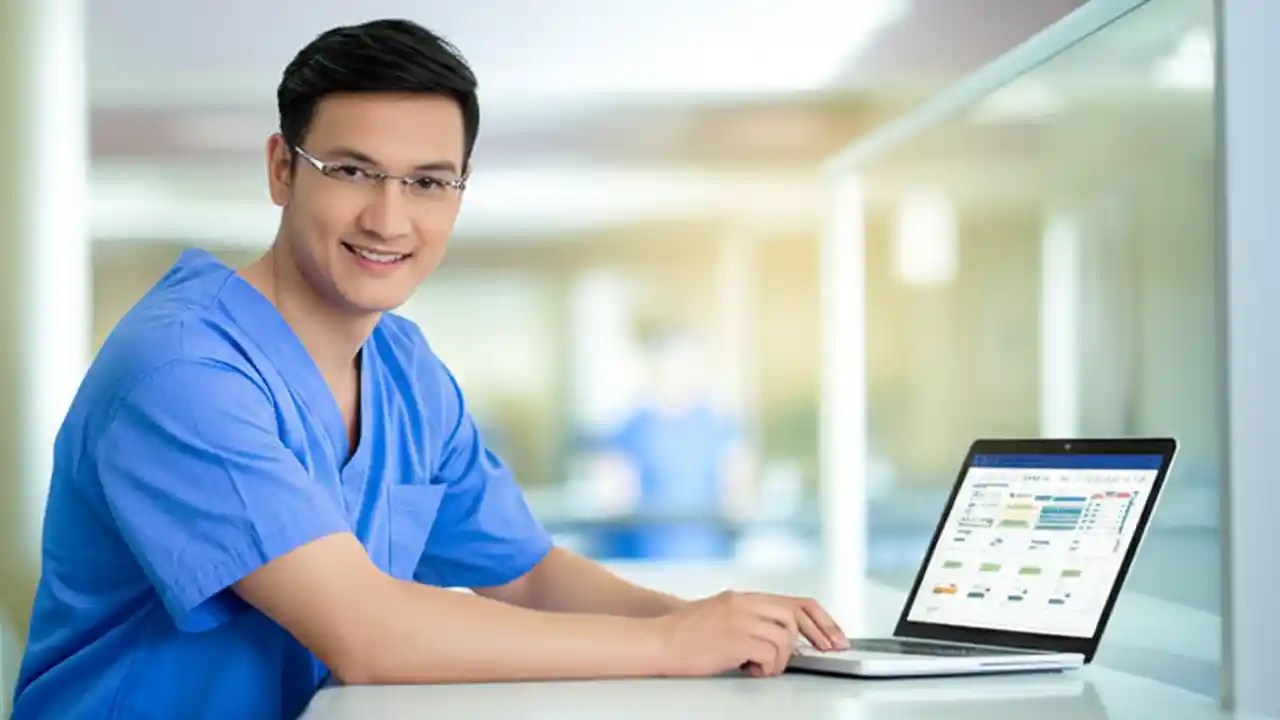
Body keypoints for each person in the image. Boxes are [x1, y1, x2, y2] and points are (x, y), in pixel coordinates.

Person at [11, 19, 847, 720]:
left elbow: (526, 574)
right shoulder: (182, 370)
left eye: (428, 182)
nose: (389, 216)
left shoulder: (404, 370)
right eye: (351, 171)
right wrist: (671, 645)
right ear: (280, 169)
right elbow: (368, 636)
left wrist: (717, 630)